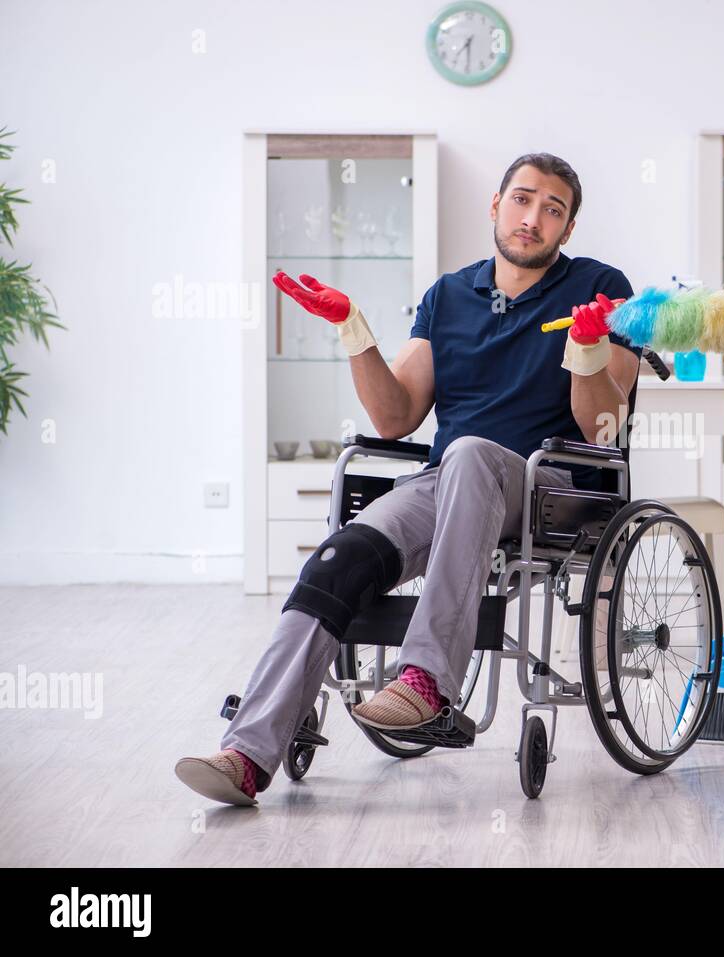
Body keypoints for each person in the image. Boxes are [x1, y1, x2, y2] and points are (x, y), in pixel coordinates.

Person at [175, 152, 641, 806]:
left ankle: (427, 681)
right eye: (523, 199)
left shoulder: (599, 287)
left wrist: (588, 347)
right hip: (447, 483)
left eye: (553, 209)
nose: (533, 217)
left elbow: (606, 428)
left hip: (547, 488)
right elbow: (395, 416)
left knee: (474, 452)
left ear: (567, 229)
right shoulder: (448, 297)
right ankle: (248, 755)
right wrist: (353, 330)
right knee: (341, 557)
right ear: (496, 206)